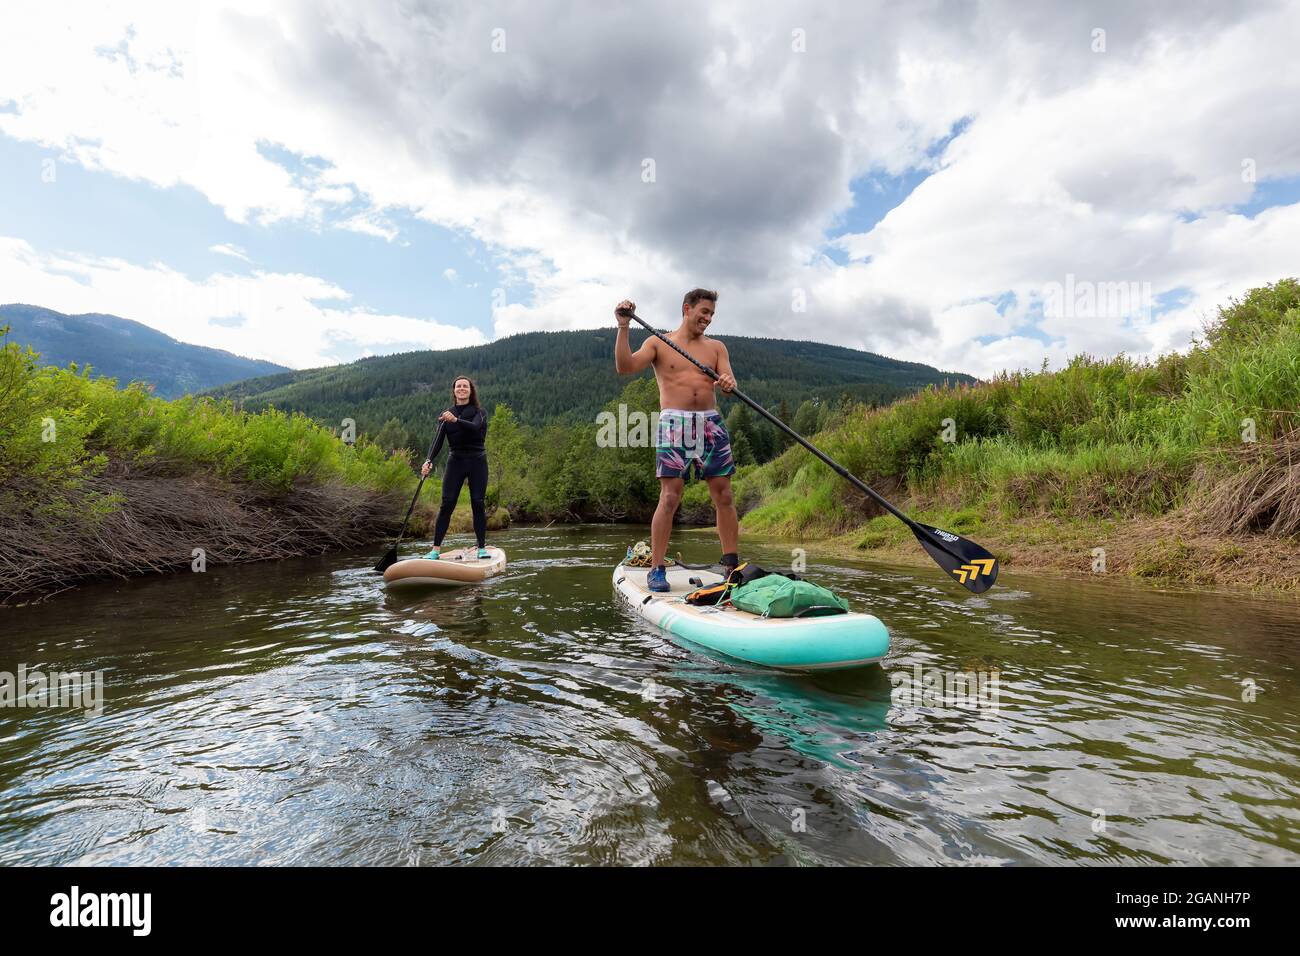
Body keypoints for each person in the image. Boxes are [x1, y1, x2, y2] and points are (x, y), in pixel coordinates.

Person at [614, 289, 739, 592]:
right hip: (674, 423)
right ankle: (656, 569)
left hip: (710, 423)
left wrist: (727, 383)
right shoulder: (659, 342)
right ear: (687, 308)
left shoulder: (717, 348)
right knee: (670, 496)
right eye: (704, 312)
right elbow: (625, 367)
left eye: (711, 314)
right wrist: (623, 326)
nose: (707, 319)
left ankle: (731, 566)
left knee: (723, 495)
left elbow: (728, 386)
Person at [420, 376, 490, 560]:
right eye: (458, 386)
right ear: (454, 391)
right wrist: (428, 460)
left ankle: (481, 547)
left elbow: (475, 428)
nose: (461, 389)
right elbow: (437, 443)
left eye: (465, 386)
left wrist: (455, 420)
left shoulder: (479, 412)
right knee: (447, 504)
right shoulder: (446, 416)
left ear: (470, 390)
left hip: (477, 461)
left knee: (477, 502)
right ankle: (435, 550)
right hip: (456, 461)